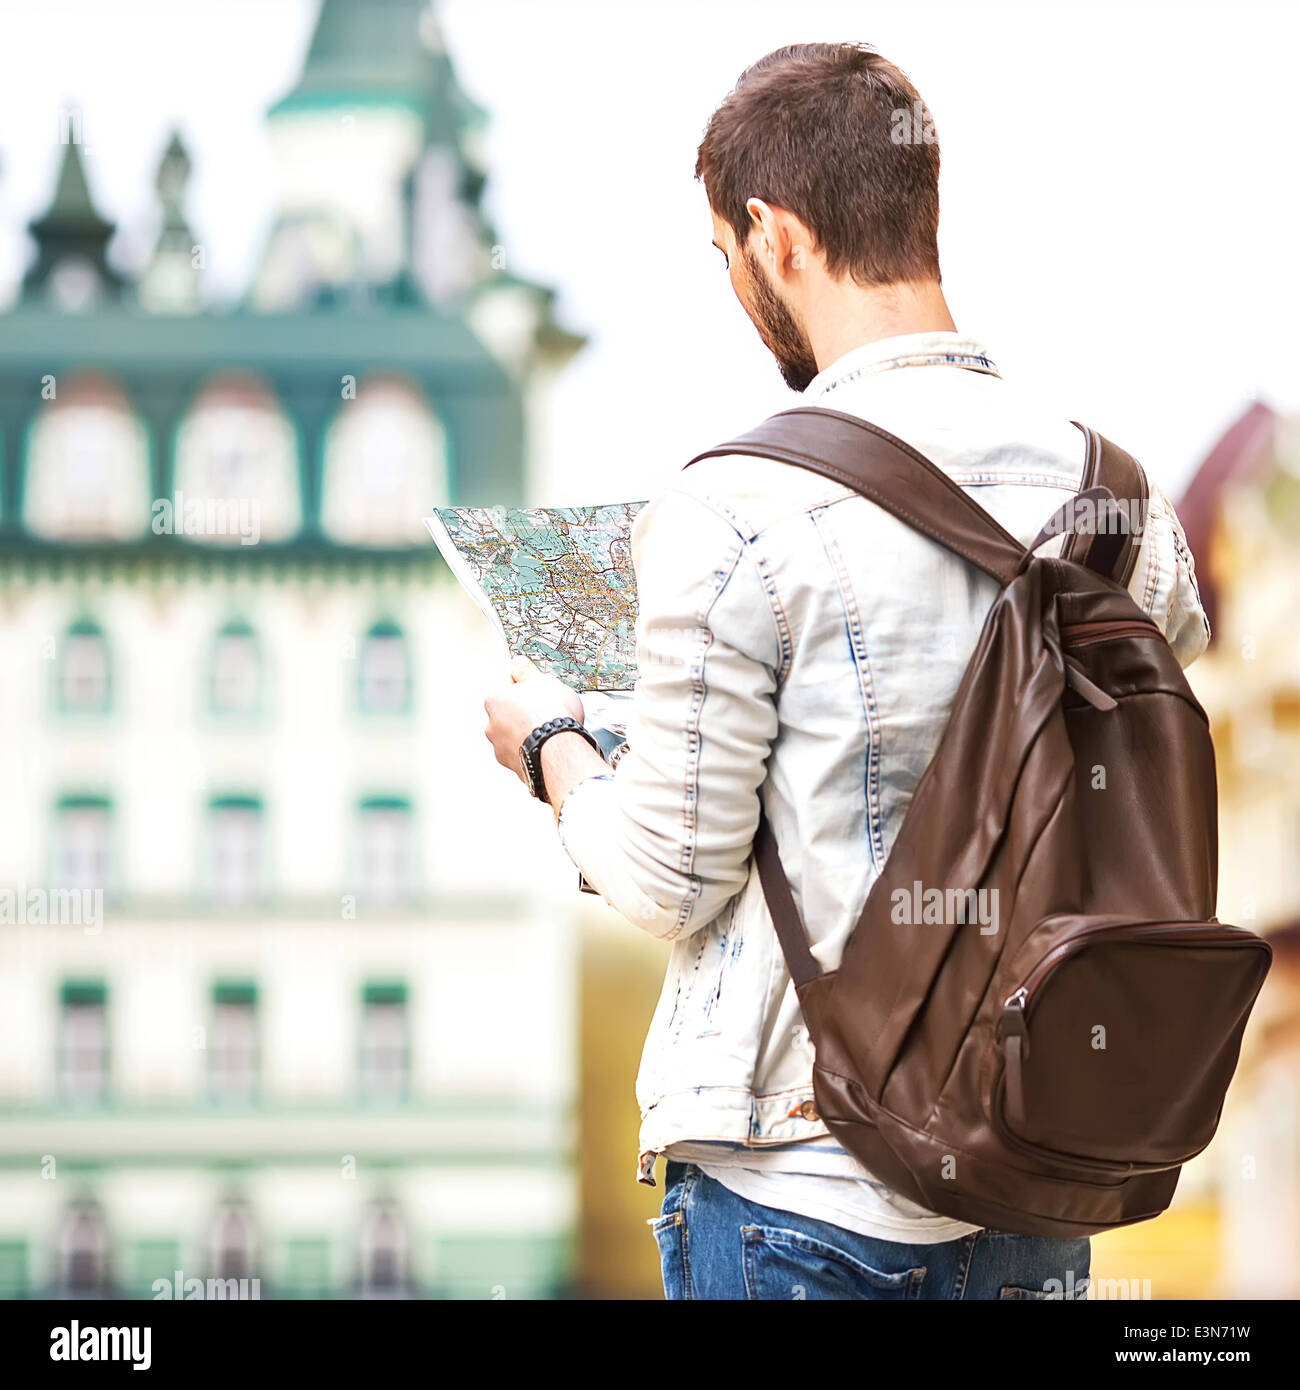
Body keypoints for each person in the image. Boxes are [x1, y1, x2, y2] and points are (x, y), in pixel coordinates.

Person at [483, 42, 1208, 1300]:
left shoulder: (737, 506)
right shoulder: (1123, 504)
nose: (736, 285)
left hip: (804, 1189)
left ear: (774, 235)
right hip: (1038, 1177)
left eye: (724, 257)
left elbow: (666, 872)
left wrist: (557, 750)